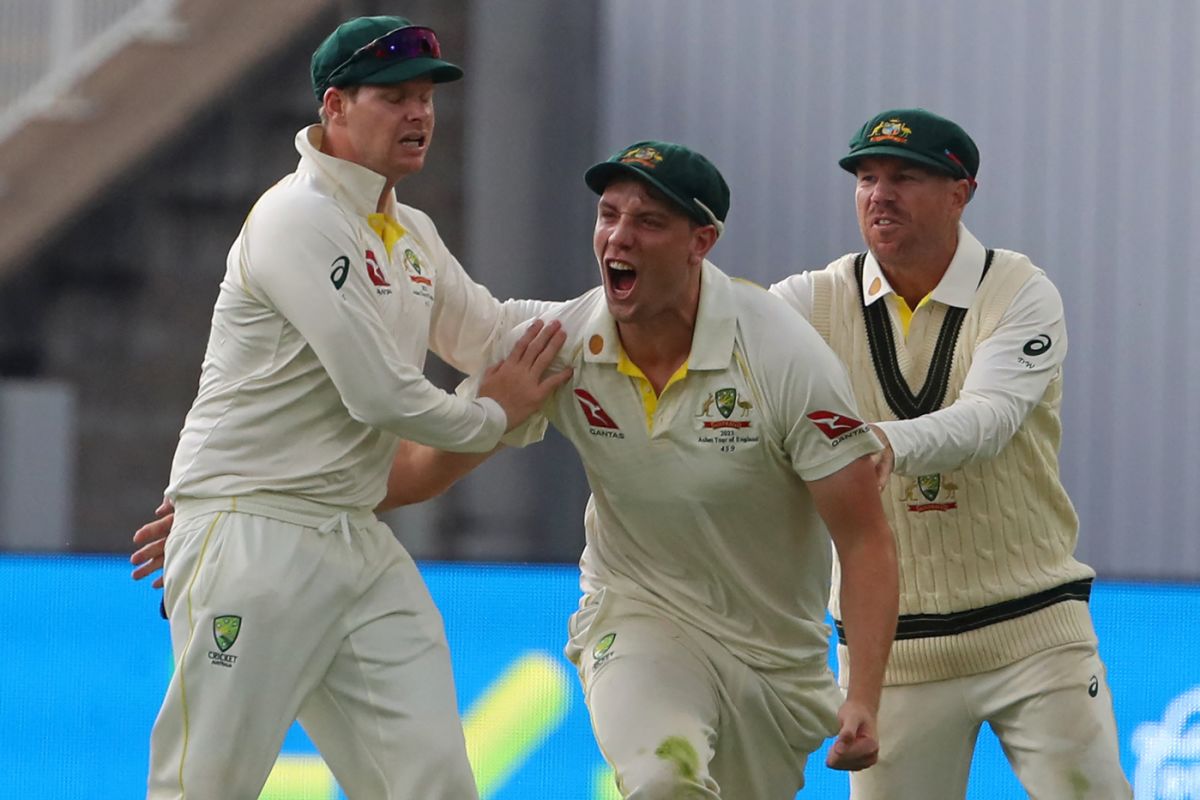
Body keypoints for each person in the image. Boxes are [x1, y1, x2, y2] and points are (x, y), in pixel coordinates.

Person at [137, 139, 900, 798]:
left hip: (774, 654)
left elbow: (863, 537)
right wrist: (244, 500)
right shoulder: (567, 344)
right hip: (638, 621)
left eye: (649, 222)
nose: (617, 238)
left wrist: (862, 694)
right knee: (665, 779)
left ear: (702, 241)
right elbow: (429, 465)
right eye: (609, 216)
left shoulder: (782, 357)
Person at [141, 15, 570, 800]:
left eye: (428, 99)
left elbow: (494, 337)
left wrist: (617, 319)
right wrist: (495, 416)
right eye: (394, 97)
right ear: (334, 106)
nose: (419, 115)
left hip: (352, 538)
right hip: (253, 533)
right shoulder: (295, 217)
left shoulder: (409, 233)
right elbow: (380, 394)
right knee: (206, 786)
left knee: (432, 781)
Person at [769, 108, 1132, 799]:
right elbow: (717, 338)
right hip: (893, 653)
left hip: (1033, 630)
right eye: (867, 177)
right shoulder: (810, 301)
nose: (880, 194)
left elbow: (987, 422)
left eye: (905, 177)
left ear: (961, 193)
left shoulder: (1020, 292)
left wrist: (877, 442)